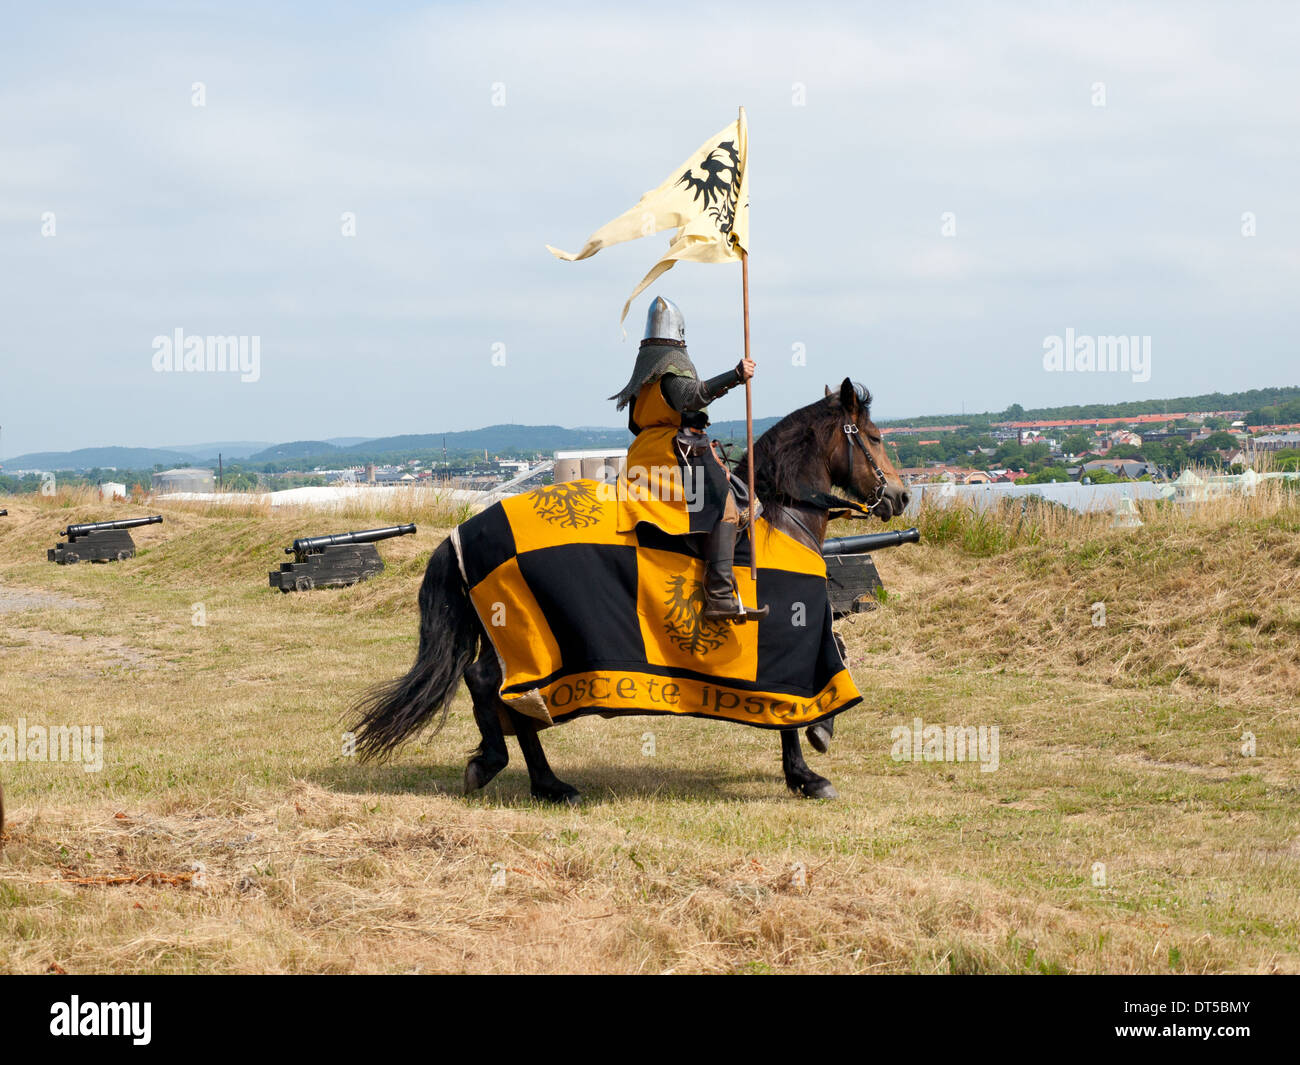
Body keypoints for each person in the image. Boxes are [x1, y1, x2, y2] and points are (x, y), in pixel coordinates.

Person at [610, 295, 767, 622]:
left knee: (736, 491)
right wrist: (735, 375)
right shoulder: (670, 367)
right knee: (724, 506)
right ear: (680, 334)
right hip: (676, 452)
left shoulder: (647, 375)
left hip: (646, 452)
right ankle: (720, 594)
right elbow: (691, 396)